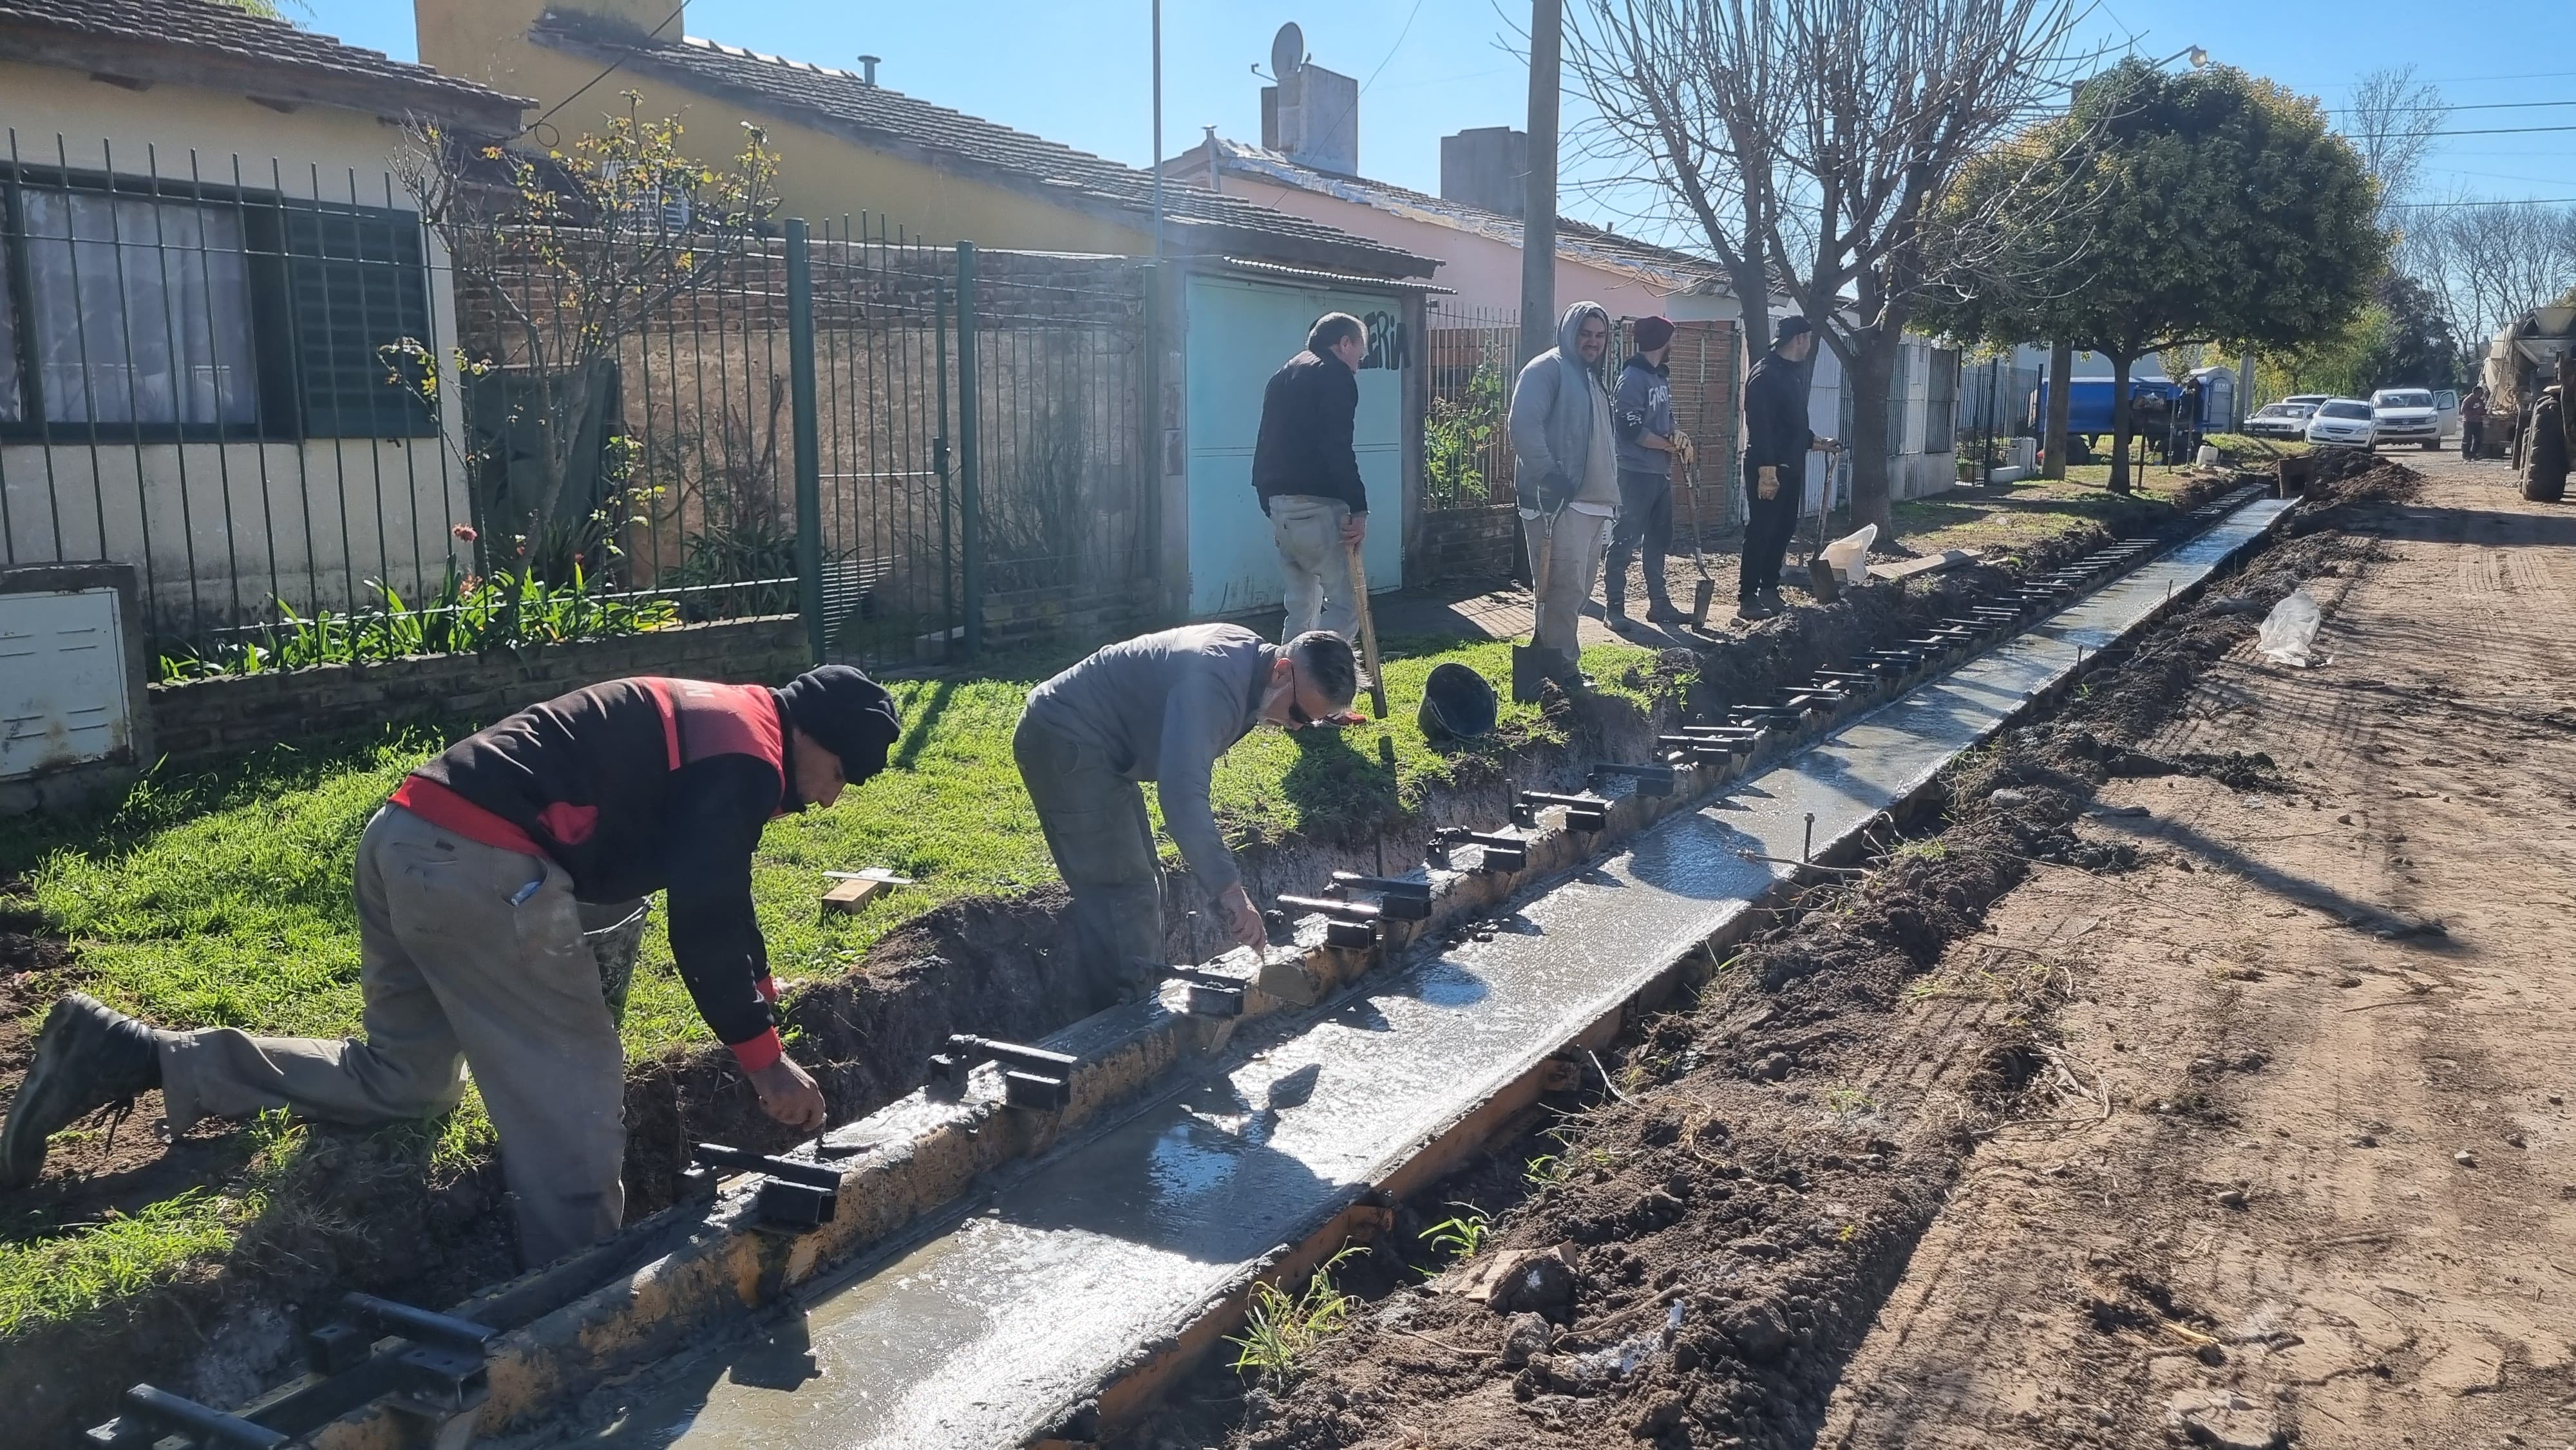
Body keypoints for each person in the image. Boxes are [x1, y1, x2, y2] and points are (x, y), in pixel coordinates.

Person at [0, 667, 904, 1268]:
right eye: (839, 775)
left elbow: (725, 901)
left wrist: (765, 1007)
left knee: (408, 1082)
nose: (829, 798)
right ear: (812, 735)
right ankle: (579, 1311)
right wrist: (762, 1062)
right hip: (482, 868)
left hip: (407, 838)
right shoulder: (746, 756)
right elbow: (703, 920)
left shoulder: (728, 718)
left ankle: (143, 1056)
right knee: (574, 1102)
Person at [1012, 625, 1359, 1001]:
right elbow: (1181, 794)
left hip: (1103, 745)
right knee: (1124, 893)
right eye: (1298, 714)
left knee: (1147, 884)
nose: (1295, 727)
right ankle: (1123, 1022)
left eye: (1309, 723)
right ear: (1282, 670)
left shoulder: (1251, 666)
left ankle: (1137, 999)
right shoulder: (1216, 682)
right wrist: (1229, 889)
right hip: (1065, 739)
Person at [1507, 301, 1620, 670]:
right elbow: (1523, 424)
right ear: (1570, 333)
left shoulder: (1592, 377)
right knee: (1561, 591)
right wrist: (1549, 474)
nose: (1593, 342)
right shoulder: (1546, 370)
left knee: (1578, 592)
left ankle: (1557, 659)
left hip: (1593, 503)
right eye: (1585, 334)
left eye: (1599, 335)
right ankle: (1561, 669)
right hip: (1558, 503)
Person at [1252, 313, 1370, 641]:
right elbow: (1337, 447)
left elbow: (1264, 444)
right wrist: (1359, 508)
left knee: (1301, 608)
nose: (1357, 367)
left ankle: (1285, 681)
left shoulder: (1282, 375)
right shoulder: (1335, 375)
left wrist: (1271, 508)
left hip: (1280, 505)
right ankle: (1318, 684)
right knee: (1347, 605)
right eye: (1358, 356)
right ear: (1344, 344)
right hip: (1319, 505)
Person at [1738, 316, 1840, 618]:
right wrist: (1767, 470)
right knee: (1762, 530)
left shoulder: (1791, 374)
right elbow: (1761, 426)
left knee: (1783, 529)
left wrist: (1817, 442)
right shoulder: (1765, 375)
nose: (1809, 344)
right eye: (1808, 338)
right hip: (1768, 469)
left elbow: (1791, 423)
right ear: (1799, 338)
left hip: (1790, 464)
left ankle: (1770, 587)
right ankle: (1748, 596)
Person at [1605, 315, 1691, 628]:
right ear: (1660, 341)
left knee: (1658, 539)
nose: (1674, 343)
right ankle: (1614, 608)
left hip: (1659, 473)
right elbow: (1631, 430)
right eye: (1671, 337)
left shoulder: (1659, 376)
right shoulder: (1632, 378)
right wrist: (1669, 446)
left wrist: (1678, 435)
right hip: (1636, 472)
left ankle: (1660, 605)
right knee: (1626, 539)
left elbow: (1665, 418)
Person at [2461, 384, 2490, 459]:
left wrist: (2485, 413)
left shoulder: (2480, 401)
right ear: (2475, 393)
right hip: (2469, 422)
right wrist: (2475, 412)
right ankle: (2466, 454)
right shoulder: (2468, 400)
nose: (2481, 394)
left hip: (2478, 422)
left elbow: (2482, 410)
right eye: (2480, 393)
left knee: (2478, 439)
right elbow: (2463, 411)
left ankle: (2474, 454)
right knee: (2467, 439)